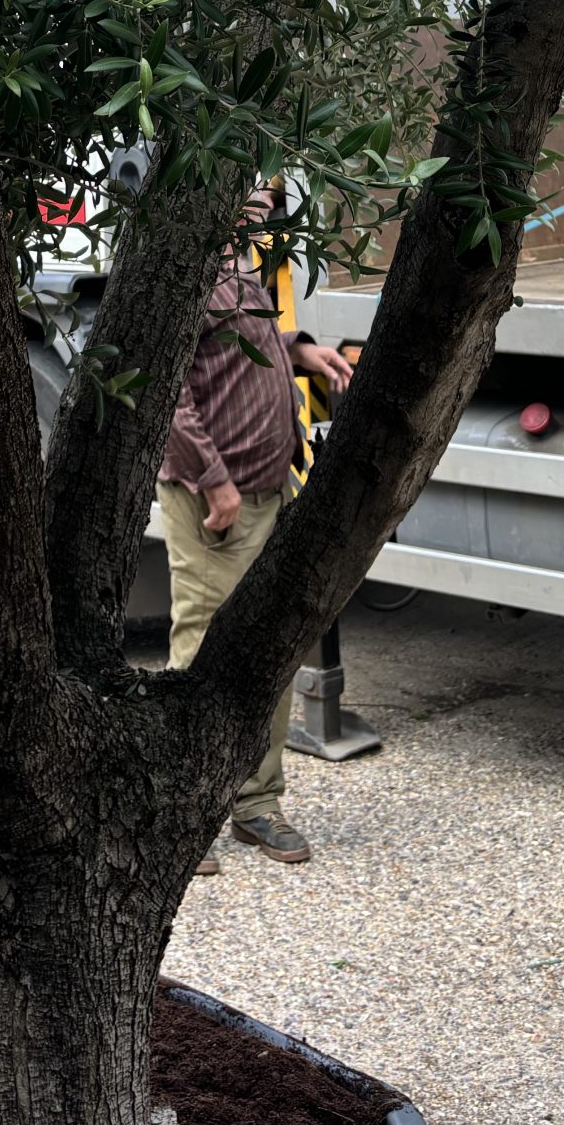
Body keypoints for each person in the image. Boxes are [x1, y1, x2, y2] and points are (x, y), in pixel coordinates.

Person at [158, 187, 352, 869]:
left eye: (269, 192)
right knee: (202, 651)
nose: (265, 201)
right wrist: (214, 480)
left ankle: (255, 803)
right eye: (250, 188)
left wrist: (299, 350)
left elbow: (242, 342)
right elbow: (168, 393)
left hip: (264, 490)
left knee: (267, 646)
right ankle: (181, 812)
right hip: (216, 499)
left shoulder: (236, 259)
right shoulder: (179, 268)